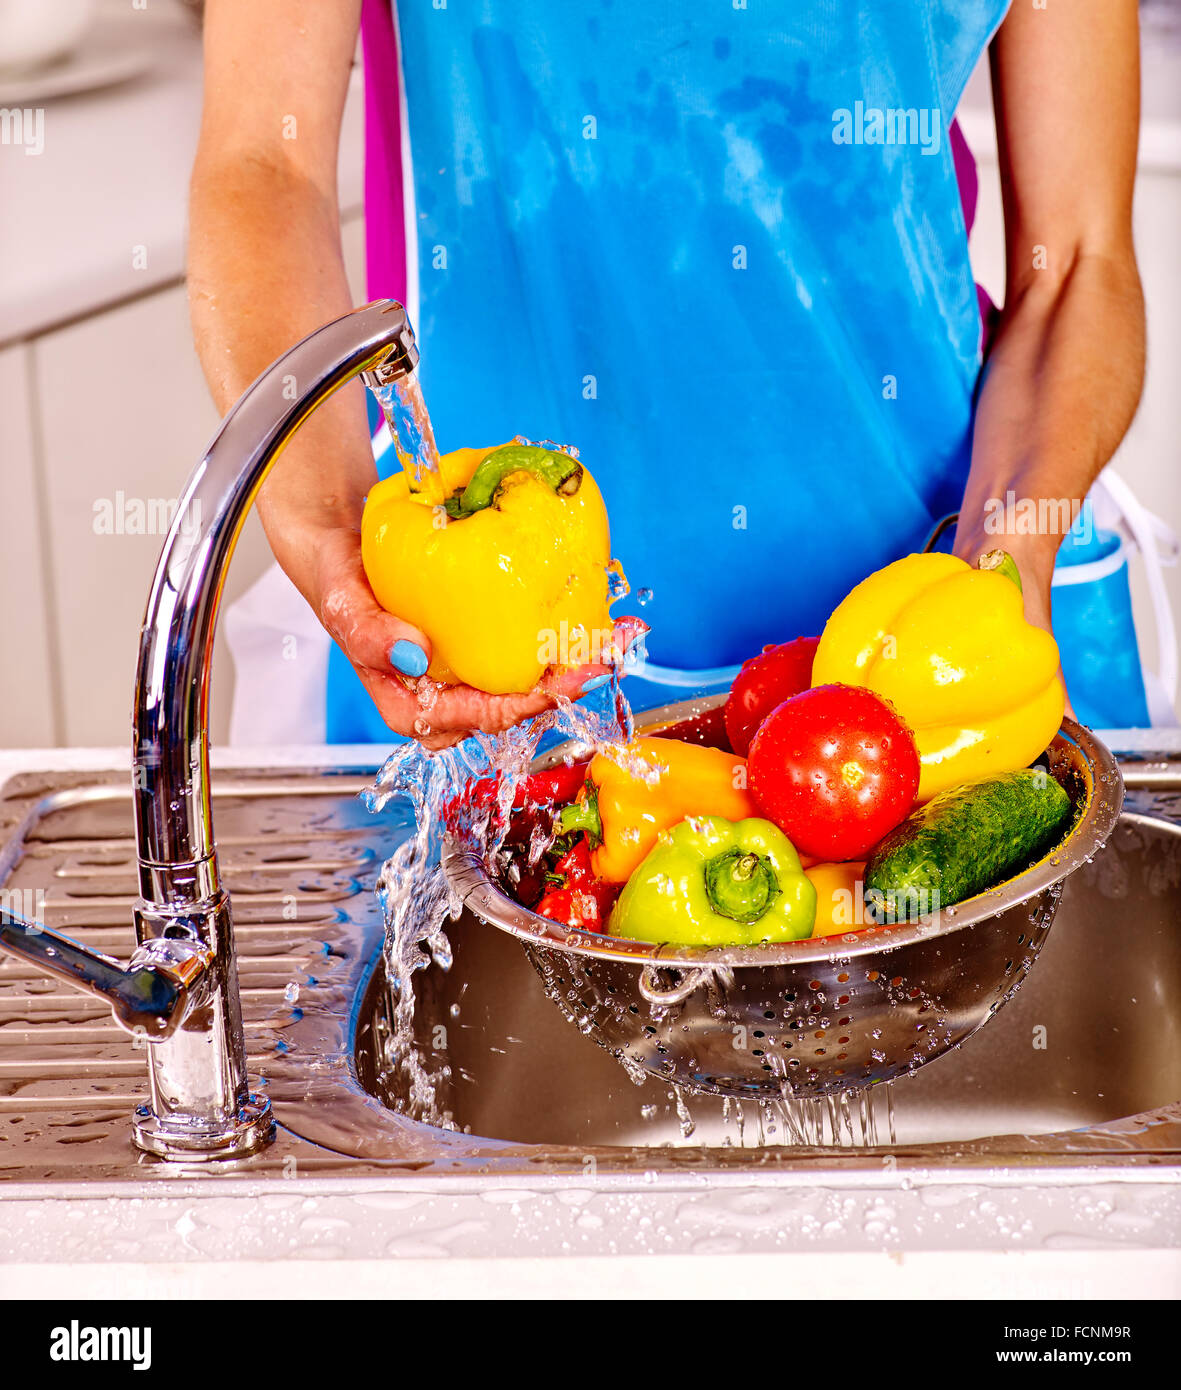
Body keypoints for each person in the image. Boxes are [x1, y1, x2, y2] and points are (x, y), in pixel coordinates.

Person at [189, 1, 1145, 749]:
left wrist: (1004, 555)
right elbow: (261, 167)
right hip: (477, 641)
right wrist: (324, 526)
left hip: (941, 577)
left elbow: (1076, 262)